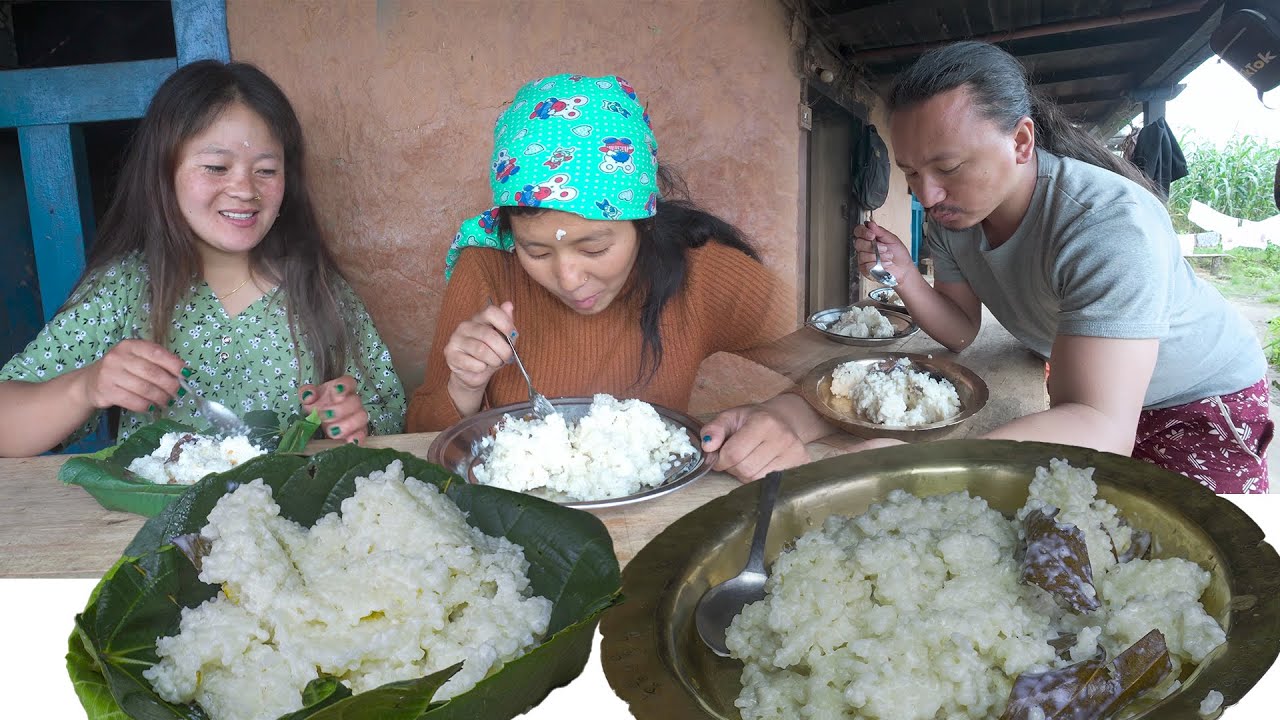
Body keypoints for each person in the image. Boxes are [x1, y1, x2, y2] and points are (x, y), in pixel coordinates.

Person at [852, 41, 1271, 493]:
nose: (927, 195)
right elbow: (960, 331)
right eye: (910, 172)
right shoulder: (953, 223)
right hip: (1092, 405)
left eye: (948, 167)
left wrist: (926, 468)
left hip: (1198, 401)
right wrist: (906, 275)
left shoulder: (1105, 223)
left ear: (1020, 141)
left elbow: (1100, 425)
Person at [407, 73, 828, 482]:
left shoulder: (703, 271)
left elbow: (843, 370)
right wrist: (463, 385)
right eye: (535, 251)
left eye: (594, 249)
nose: (569, 279)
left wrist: (786, 416)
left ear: (644, 224)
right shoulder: (486, 266)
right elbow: (419, 437)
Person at [0, 60, 405, 457]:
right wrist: (86, 386)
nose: (245, 189)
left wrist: (351, 422)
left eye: (265, 170)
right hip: (150, 522)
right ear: (163, 173)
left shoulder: (319, 292)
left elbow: (388, 419)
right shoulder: (126, 287)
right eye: (216, 166)